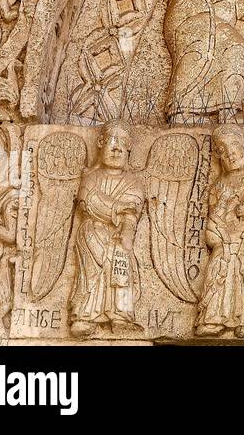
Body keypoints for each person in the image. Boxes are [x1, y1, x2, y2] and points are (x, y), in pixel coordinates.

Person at [195, 125, 244, 338]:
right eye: (226, 154)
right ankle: (214, 317)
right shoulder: (218, 186)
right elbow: (213, 216)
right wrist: (221, 224)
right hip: (224, 237)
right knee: (221, 257)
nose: (231, 156)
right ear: (221, 159)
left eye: (235, 150)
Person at [69, 121, 145, 337]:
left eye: (123, 143)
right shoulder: (91, 177)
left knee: (122, 268)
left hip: (119, 235)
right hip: (92, 231)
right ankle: (85, 315)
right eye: (112, 140)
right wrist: (118, 208)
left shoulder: (133, 182)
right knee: (91, 273)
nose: (117, 147)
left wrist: (128, 230)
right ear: (100, 144)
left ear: (129, 149)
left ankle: (121, 314)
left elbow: (133, 208)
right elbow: (87, 202)